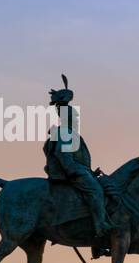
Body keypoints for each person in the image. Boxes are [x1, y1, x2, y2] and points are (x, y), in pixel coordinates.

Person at [42, 75, 108, 237]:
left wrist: (90, 172)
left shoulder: (72, 134)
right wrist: (75, 171)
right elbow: (63, 156)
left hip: (79, 172)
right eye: (74, 116)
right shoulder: (64, 133)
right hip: (70, 173)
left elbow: (79, 160)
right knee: (95, 191)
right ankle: (100, 227)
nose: (77, 119)